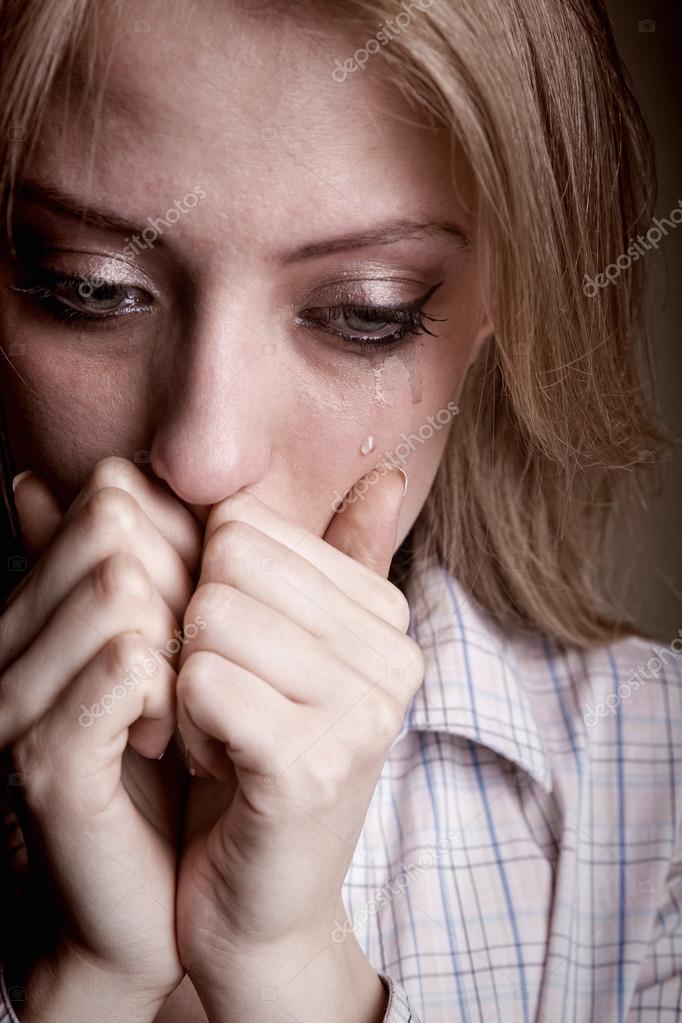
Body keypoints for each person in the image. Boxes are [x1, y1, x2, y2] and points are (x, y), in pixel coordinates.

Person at [0, 1, 680, 1020]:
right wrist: (86, 986)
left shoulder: (657, 804)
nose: (203, 458)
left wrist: (290, 975)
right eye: (88, 289)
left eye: (368, 310)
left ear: (502, 302)